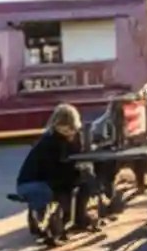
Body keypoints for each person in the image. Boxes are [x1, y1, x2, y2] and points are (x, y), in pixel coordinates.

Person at [16, 103, 97, 243]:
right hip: (35, 184)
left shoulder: (63, 138)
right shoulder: (51, 142)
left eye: (69, 128)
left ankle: (75, 219)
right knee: (63, 193)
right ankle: (57, 226)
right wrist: (75, 175)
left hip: (35, 182)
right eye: (64, 127)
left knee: (79, 185)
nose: (68, 131)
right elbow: (55, 171)